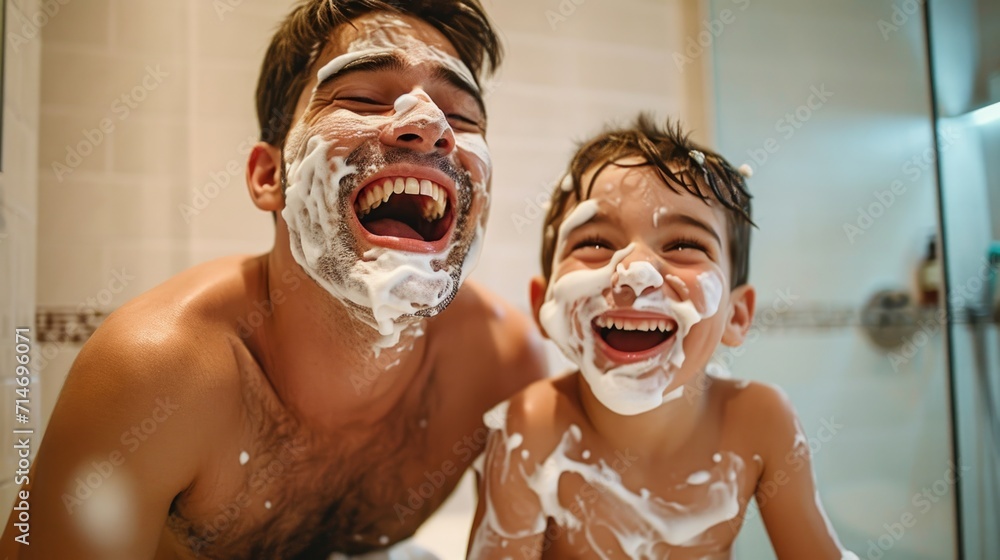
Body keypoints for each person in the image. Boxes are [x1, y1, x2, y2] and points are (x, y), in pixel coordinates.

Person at [1, 1, 546, 558]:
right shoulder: (156, 374)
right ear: (268, 176)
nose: (431, 127)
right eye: (361, 97)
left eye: (463, 117)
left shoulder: (502, 365)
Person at [468, 116, 857, 559]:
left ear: (736, 315)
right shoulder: (533, 427)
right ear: (544, 307)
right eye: (595, 241)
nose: (635, 272)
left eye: (682, 246)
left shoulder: (761, 422)